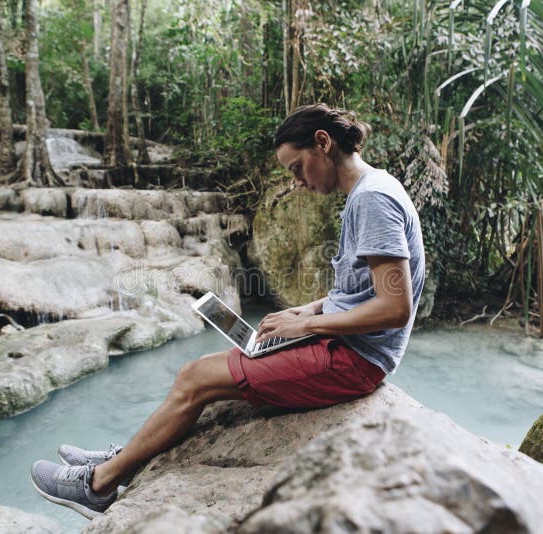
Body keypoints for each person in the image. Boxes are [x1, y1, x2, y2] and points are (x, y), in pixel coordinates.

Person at [30, 103, 426, 519]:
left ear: (323, 144)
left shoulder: (372, 201)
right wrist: (301, 313)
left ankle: (98, 486)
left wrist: (309, 324)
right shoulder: (370, 191)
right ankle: (127, 457)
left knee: (196, 378)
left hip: (354, 360)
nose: (297, 182)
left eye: (296, 168)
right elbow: (359, 290)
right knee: (202, 372)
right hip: (340, 345)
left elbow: (394, 308)